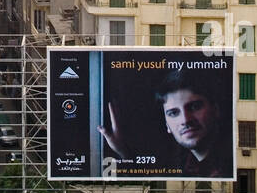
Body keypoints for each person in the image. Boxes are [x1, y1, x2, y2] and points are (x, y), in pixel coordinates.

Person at [99, 67, 231, 178]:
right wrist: (123, 151)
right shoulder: (185, 164)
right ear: (167, 125)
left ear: (216, 110)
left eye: (195, 107)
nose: (185, 120)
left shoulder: (228, 165)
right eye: (174, 113)